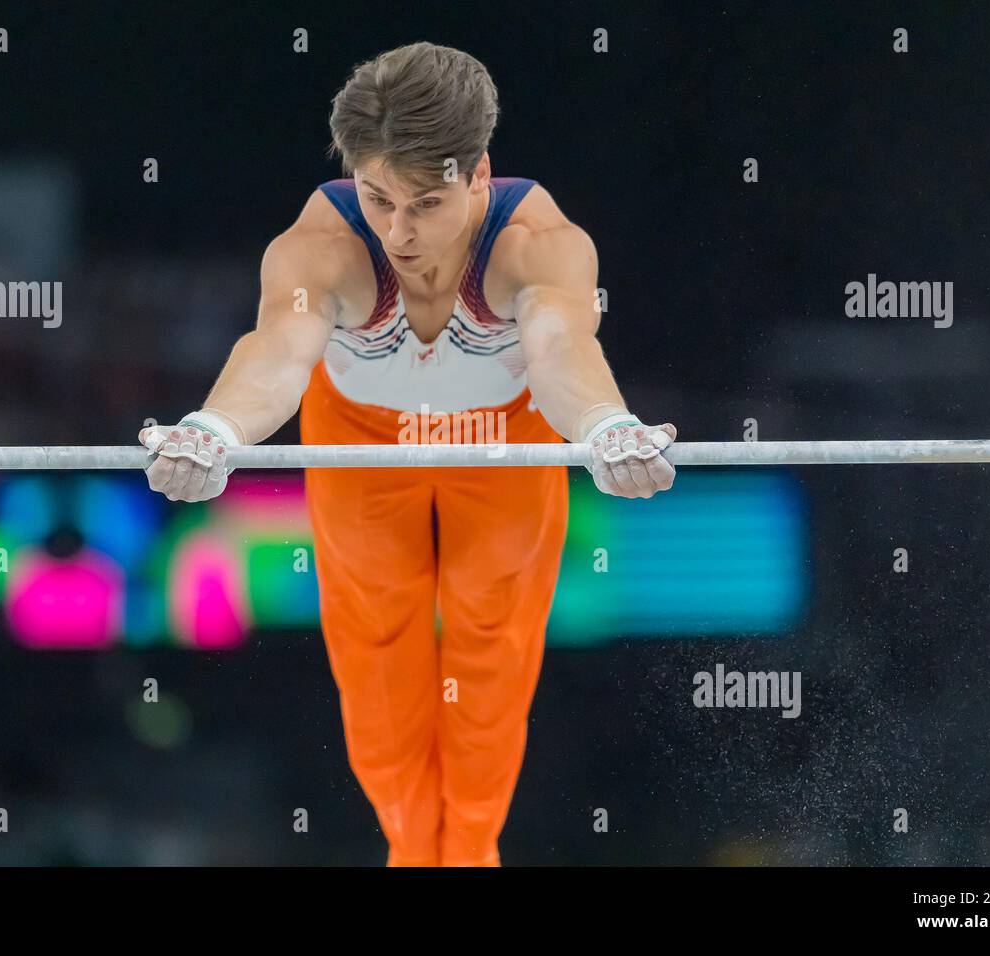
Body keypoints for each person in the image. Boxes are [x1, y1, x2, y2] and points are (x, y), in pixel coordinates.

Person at [139, 41, 675, 866]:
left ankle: (470, 855)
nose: (398, 231)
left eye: (425, 202)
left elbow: (563, 347)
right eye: (376, 197)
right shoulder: (320, 247)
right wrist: (216, 430)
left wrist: (605, 425)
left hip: (500, 440)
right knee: (379, 659)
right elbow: (279, 349)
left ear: (480, 173)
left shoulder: (536, 242)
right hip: (363, 442)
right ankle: (412, 852)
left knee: (489, 650)